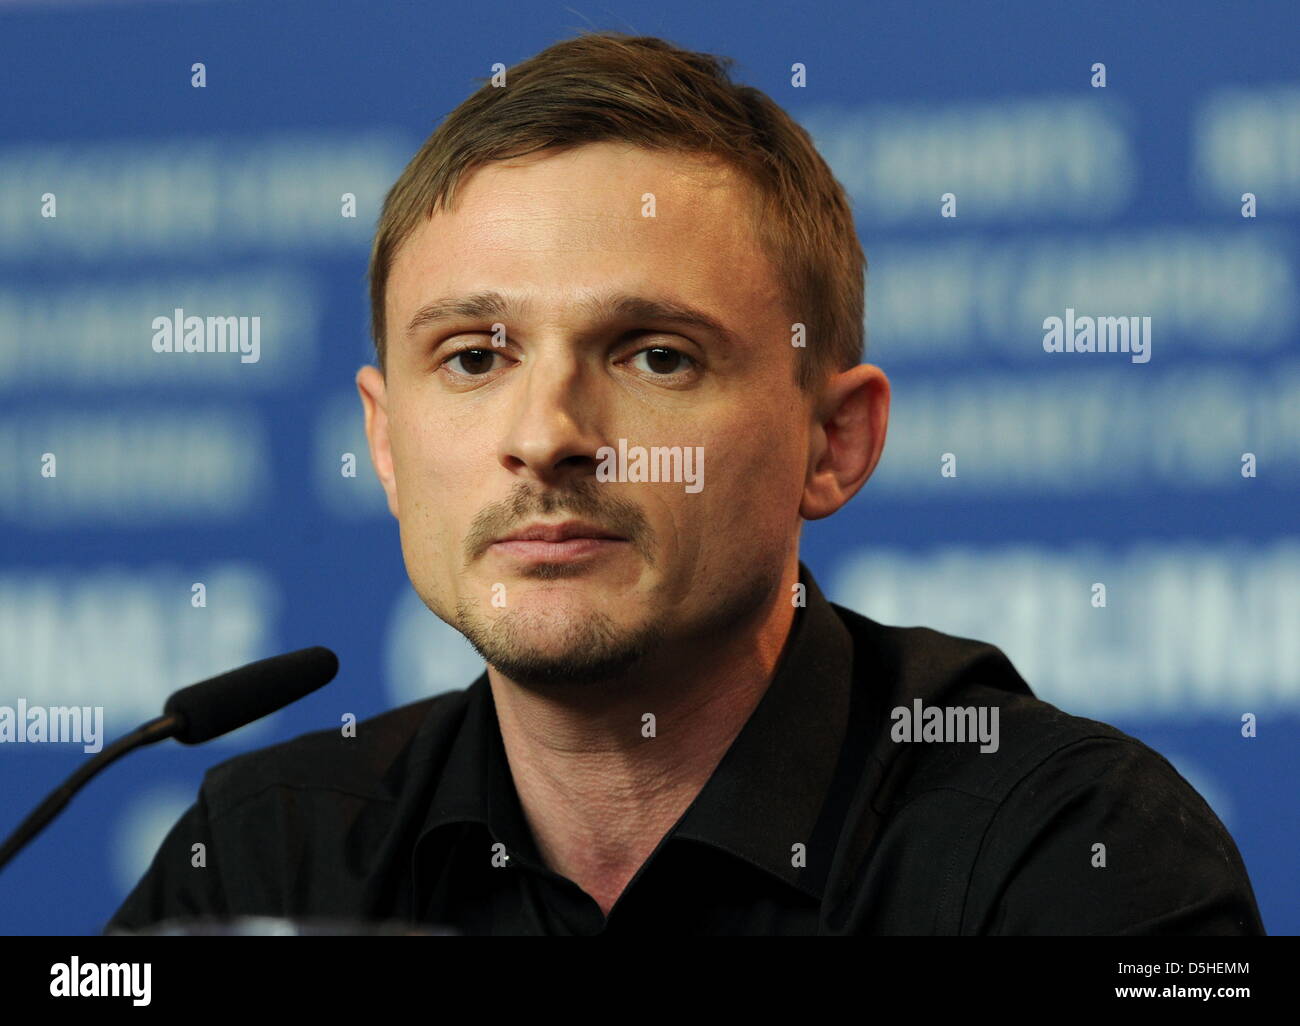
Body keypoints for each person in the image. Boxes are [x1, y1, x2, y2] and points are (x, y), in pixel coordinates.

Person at [106, 30, 1265, 936]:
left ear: (833, 443)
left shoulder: (1078, 853)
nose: (547, 435)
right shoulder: (262, 856)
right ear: (388, 443)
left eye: (655, 355)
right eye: (473, 357)